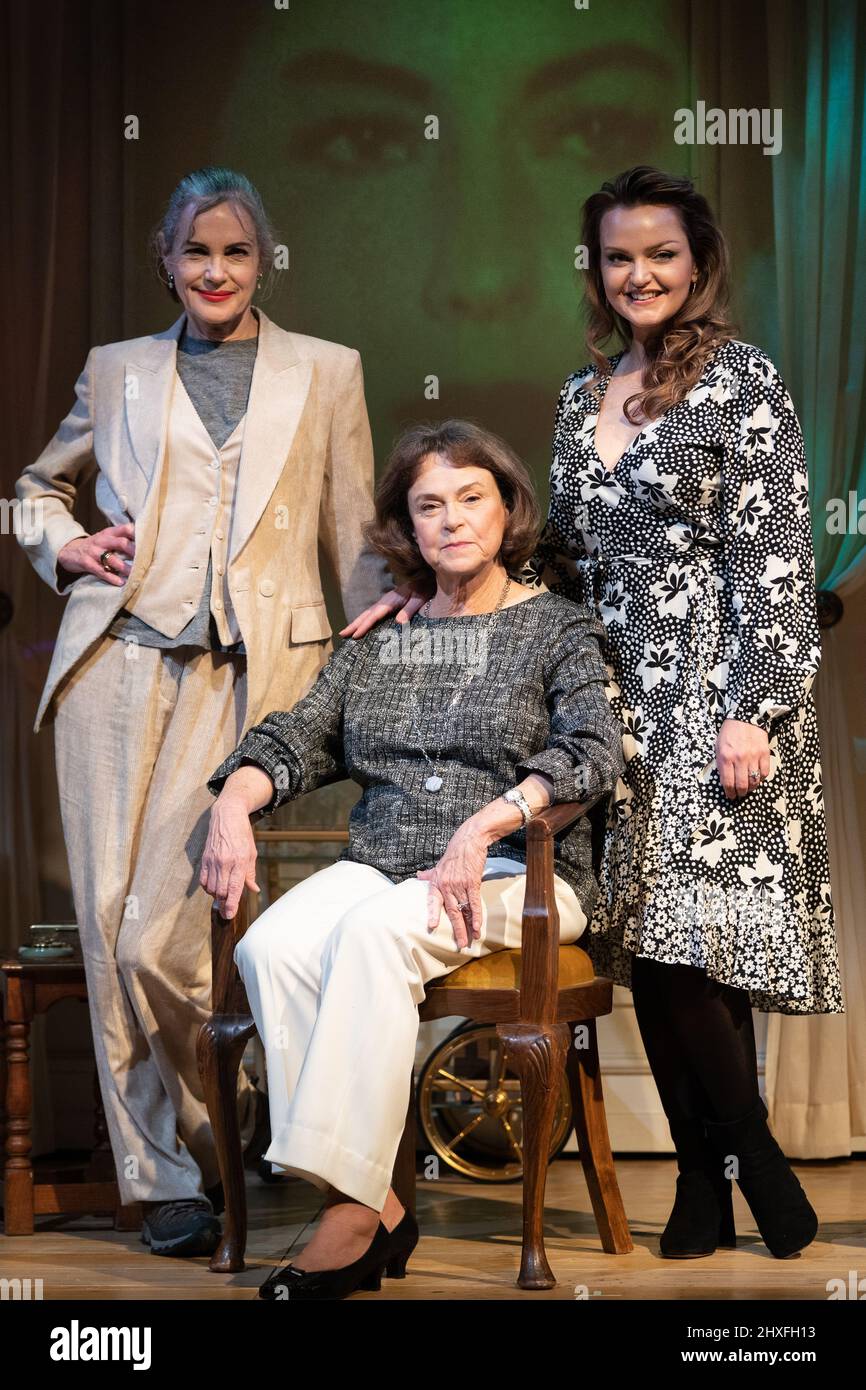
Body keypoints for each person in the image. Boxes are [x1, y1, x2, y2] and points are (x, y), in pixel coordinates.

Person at [342, 166, 845, 1262]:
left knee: (692, 955)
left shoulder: (741, 384)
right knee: (660, 953)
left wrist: (753, 708)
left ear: (697, 261)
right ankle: (711, 1193)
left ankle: (748, 1165)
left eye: (660, 253)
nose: (639, 274)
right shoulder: (581, 397)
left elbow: (772, 563)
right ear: (598, 269)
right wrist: (423, 590)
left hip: (719, 705)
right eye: (619, 256)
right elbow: (554, 555)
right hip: (613, 712)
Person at [14, 165, 392, 1258]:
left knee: (160, 936)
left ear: (261, 259)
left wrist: (371, 672)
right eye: (194, 252)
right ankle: (167, 1176)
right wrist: (63, 543)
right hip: (115, 665)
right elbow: (39, 486)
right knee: (106, 924)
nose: (214, 271)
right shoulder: (118, 369)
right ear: (166, 261)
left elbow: (356, 532)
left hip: (254, 677)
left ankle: (225, 1122)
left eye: (233, 251)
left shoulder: (325, 371)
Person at [202, 419, 626, 1299]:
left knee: (372, 935)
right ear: (408, 527)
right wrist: (233, 804)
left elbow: (594, 750)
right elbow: (298, 736)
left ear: (507, 510)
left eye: (472, 498)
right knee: (268, 946)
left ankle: (353, 1224)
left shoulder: (556, 627)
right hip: (386, 862)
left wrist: (483, 826)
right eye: (428, 506)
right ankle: (377, 1201)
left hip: (523, 869)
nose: (451, 520)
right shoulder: (380, 640)